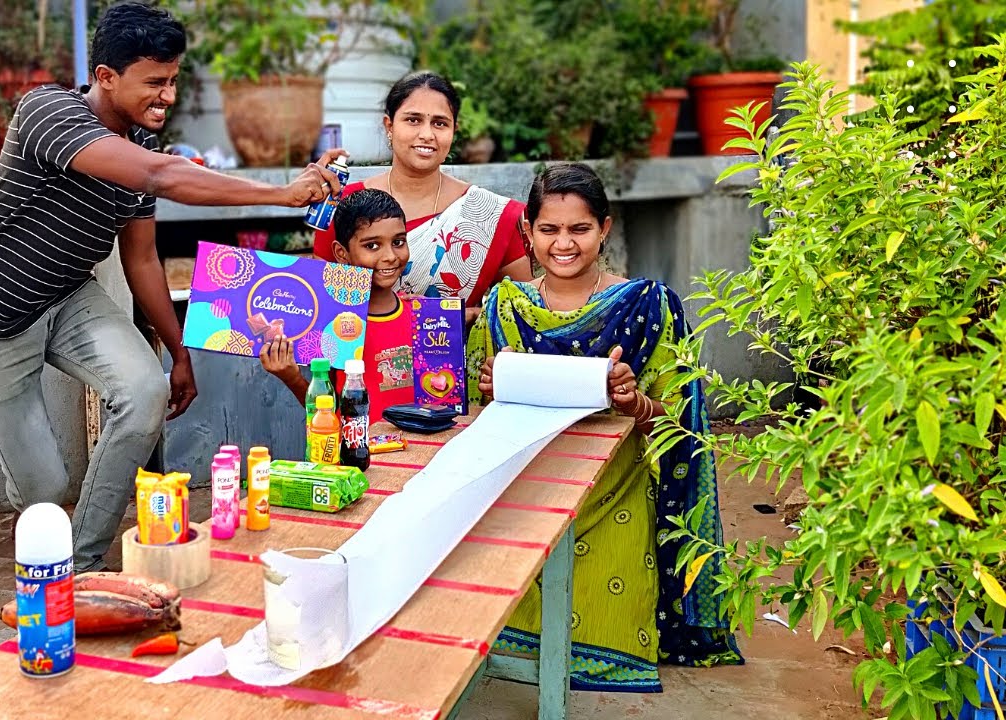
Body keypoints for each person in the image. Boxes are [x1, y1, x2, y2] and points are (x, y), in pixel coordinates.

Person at [0, 1, 345, 573]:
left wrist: (178, 353)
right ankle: (53, 550)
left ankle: (78, 567)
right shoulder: (46, 112)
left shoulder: (143, 148)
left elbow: (144, 259)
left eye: (174, 80)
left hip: (68, 296)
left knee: (146, 392)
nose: (169, 97)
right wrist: (281, 194)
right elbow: (162, 178)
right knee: (46, 488)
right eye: (155, 82)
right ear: (106, 76)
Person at [468, 163, 742, 692]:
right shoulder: (505, 306)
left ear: (605, 229)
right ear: (527, 232)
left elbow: (681, 415)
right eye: (548, 230)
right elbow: (478, 423)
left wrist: (636, 402)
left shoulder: (647, 305)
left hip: (615, 484)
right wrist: (491, 388)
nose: (563, 244)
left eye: (579, 229)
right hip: (527, 485)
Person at [312, 72, 531, 320]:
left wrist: (462, 315)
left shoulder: (487, 213)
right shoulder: (343, 205)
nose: (427, 134)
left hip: (457, 355)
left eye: (440, 123)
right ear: (389, 126)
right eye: (413, 120)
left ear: (454, 131)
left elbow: (524, 307)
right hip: (360, 355)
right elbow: (322, 308)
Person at [261, 190, 413, 424]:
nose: (390, 256)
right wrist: (291, 376)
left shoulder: (421, 317)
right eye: (372, 246)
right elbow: (326, 410)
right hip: (354, 457)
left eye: (398, 242)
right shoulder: (330, 323)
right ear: (342, 254)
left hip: (424, 455)